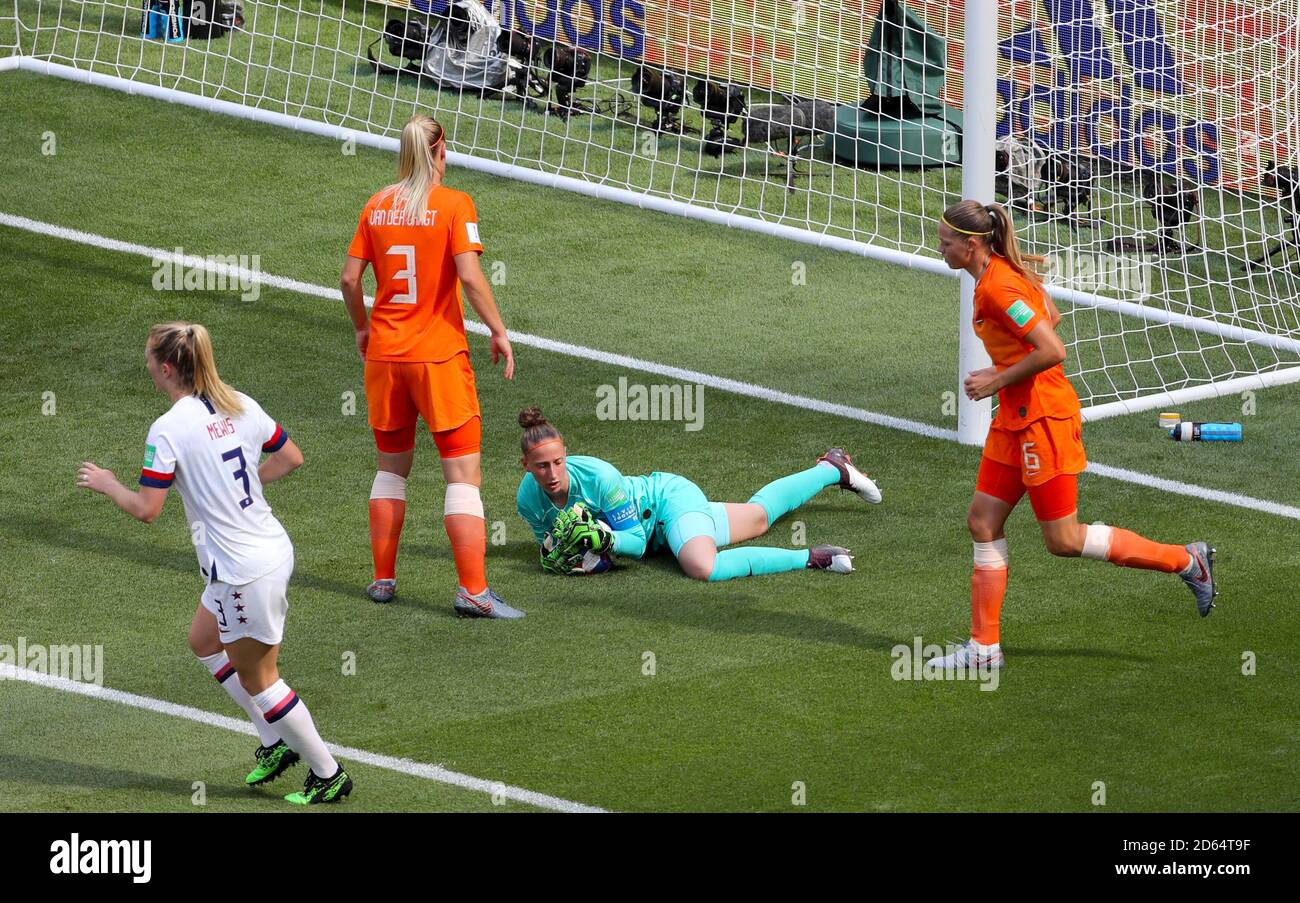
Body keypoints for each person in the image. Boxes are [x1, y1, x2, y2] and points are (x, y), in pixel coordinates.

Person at [933, 200, 1217, 670]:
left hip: (1043, 421)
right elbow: (1049, 315)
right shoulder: (1000, 274)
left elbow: (1053, 348)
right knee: (982, 521)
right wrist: (1006, 371)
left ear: (971, 244)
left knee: (1063, 540)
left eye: (945, 244)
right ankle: (984, 649)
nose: (939, 250)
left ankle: (1187, 561)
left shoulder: (999, 289)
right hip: (1014, 418)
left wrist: (997, 378)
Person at [76, 323, 352, 805]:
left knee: (260, 680)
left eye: (148, 360)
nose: (145, 366)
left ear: (165, 369)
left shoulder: (168, 429)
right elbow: (291, 457)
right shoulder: (238, 402)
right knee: (204, 641)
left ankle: (328, 773)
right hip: (266, 548)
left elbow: (147, 510)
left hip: (241, 571)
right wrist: (241, 491)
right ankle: (274, 742)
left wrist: (107, 483)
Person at [341, 114, 521, 618]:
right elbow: (470, 275)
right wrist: (499, 330)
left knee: (390, 469)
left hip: (385, 358)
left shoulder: (376, 204)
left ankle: (382, 579)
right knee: (462, 475)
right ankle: (472, 591)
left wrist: (362, 327)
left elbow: (350, 280)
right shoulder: (454, 204)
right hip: (438, 358)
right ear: (442, 151)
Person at [515, 407, 881, 581]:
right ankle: (832, 468)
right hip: (658, 529)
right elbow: (552, 544)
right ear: (526, 466)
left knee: (702, 567)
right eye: (541, 466)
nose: (552, 473)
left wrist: (604, 539)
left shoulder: (600, 476)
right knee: (759, 517)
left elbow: (637, 544)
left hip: (667, 505)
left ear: (567, 456)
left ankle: (812, 557)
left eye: (558, 462)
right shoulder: (526, 500)